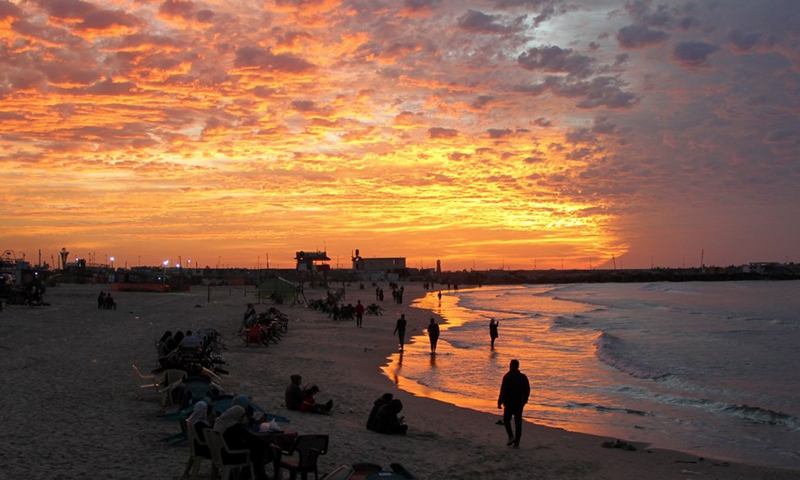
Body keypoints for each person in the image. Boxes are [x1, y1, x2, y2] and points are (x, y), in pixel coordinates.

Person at [213, 405, 269, 480]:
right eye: (242, 416)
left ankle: (249, 474)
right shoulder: (234, 426)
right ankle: (256, 475)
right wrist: (268, 444)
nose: (243, 418)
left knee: (253, 447)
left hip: (220, 454)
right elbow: (249, 437)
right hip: (229, 456)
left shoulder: (220, 421)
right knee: (256, 449)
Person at [497, 359, 530, 449]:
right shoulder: (523, 377)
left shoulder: (507, 377)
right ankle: (517, 443)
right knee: (518, 422)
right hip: (519, 404)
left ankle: (511, 436)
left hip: (509, 403)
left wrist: (500, 402)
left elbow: (503, 391)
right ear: (518, 366)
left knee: (506, 420)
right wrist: (524, 401)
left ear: (511, 366)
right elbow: (527, 390)